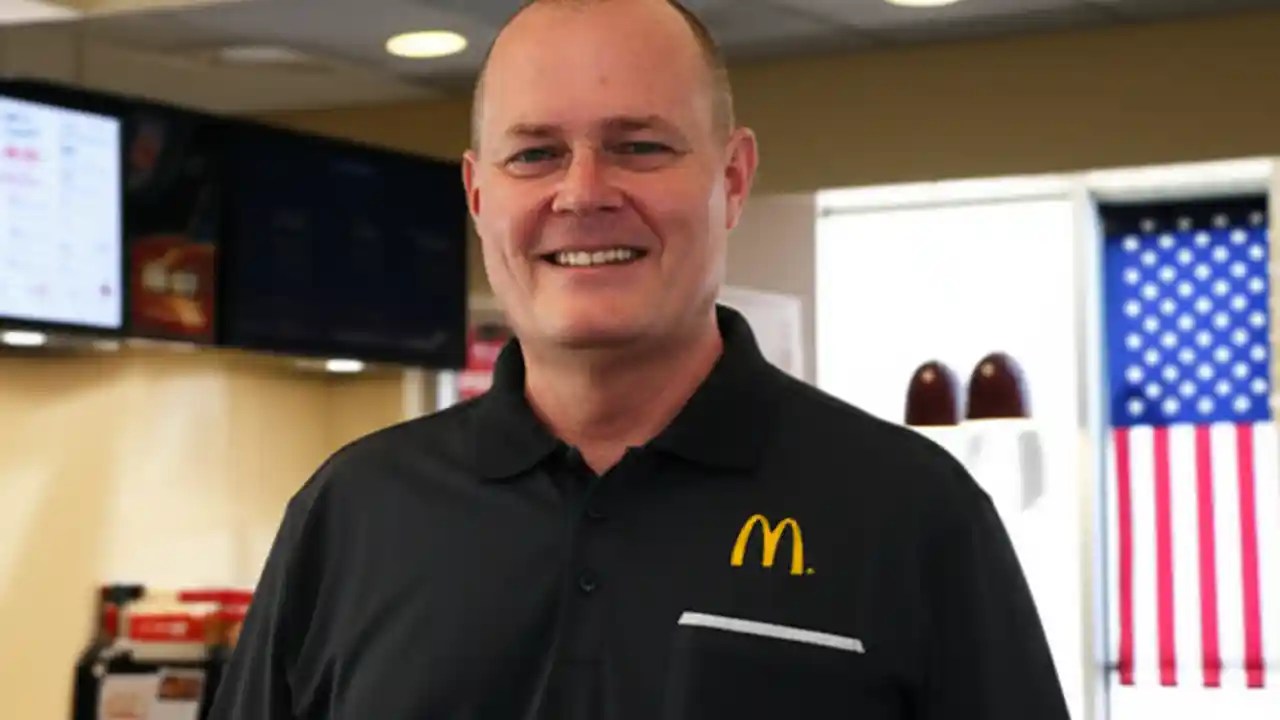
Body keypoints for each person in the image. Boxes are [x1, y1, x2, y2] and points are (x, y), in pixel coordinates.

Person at [208, 0, 1073, 718]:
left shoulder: (913, 514)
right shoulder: (350, 516)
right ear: (477, 193)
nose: (583, 192)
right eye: (535, 154)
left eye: (640, 147)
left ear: (732, 179)